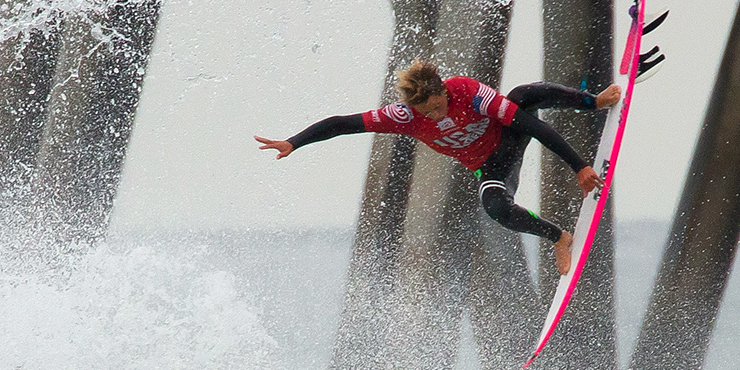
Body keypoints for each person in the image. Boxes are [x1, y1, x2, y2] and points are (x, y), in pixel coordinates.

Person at [256, 60, 619, 275]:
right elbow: (342, 123)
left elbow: (531, 126)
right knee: (495, 207)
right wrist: (294, 142)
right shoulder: (403, 116)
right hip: (491, 164)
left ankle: (594, 101)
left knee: (524, 95)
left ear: (443, 90)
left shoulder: (468, 92)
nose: (433, 116)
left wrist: (579, 166)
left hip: (508, 134)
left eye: (435, 107)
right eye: (425, 113)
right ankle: (559, 237)